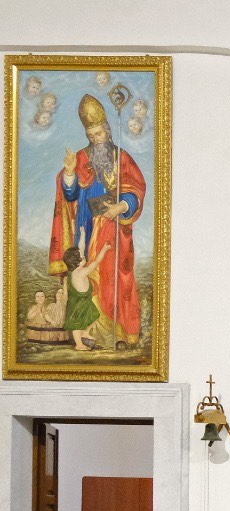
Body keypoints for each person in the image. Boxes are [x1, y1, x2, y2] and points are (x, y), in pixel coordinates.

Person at [52, 94, 145, 346]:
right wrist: (70, 173)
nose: (95, 140)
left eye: (99, 135)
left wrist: (122, 205)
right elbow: (68, 194)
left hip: (112, 226)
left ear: (107, 130)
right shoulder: (81, 157)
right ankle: (89, 334)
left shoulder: (121, 157)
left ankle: (116, 333)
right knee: (87, 275)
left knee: (113, 275)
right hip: (85, 224)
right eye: (91, 136)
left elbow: (136, 188)